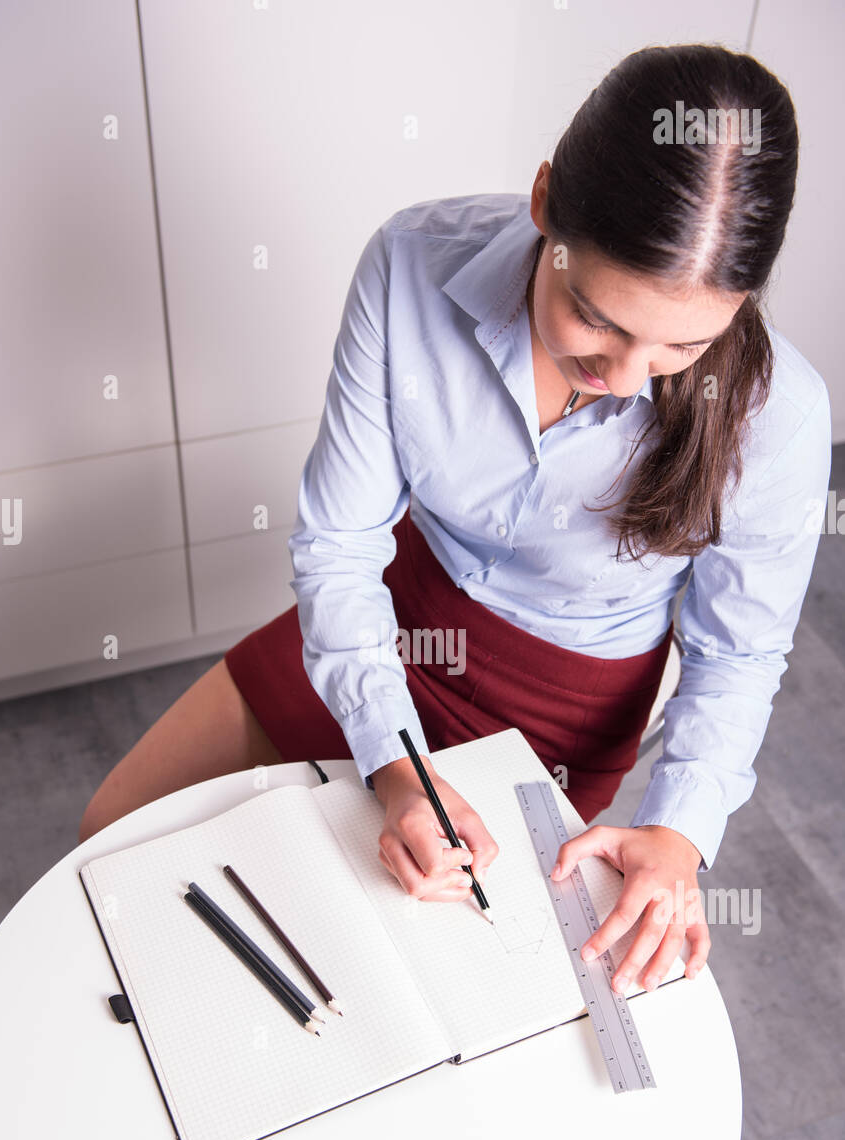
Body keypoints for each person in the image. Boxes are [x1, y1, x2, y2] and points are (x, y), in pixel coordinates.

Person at [79, 43, 831, 999]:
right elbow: (341, 546)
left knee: (382, 979)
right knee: (111, 839)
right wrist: (398, 768)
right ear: (545, 201)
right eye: (596, 318)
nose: (631, 377)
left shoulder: (779, 417)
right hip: (386, 625)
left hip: (561, 708)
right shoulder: (409, 264)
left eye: (684, 343)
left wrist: (678, 836)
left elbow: (735, 659)